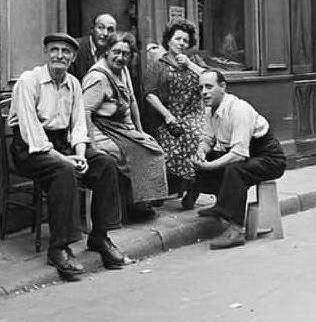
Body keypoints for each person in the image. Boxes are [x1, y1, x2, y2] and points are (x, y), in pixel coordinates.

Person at [8, 33, 131, 281]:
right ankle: (58, 248)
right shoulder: (28, 81)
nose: (60, 56)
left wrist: (81, 154)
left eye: (66, 52)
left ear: (73, 57)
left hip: (62, 145)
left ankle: (100, 236)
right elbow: (32, 132)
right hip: (29, 149)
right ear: (46, 53)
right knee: (63, 172)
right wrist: (66, 160)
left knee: (105, 163)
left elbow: (78, 127)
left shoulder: (73, 83)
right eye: (55, 50)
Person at [192, 70, 287, 249]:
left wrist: (210, 166)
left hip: (269, 158)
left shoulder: (239, 109)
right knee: (210, 158)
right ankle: (222, 206)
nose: (203, 92)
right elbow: (207, 138)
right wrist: (201, 153)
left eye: (209, 87)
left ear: (223, 87)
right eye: (201, 88)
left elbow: (238, 154)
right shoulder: (210, 109)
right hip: (248, 154)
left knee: (235, 169)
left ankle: (236, 230)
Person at [82, 31, 167, 220]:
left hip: (121, 128)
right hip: (99, 130)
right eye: (116, 52)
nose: (120, 57)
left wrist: (140, 131)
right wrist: (94, 145)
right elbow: (85, 112)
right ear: (106, 52)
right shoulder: (98, 77)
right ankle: (133, 207)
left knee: (152, 147)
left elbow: (132, 101)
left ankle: (139, 202)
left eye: (125, 53)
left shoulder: (123, 69)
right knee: (132, 154)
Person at [144, 19, 205, 209]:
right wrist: (168, 116)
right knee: (176, 138)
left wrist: (189, 65)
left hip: (194, 113)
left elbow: (212, 80)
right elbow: (150, 94)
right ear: (168, 40)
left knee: (199, 135)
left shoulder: (193, 60)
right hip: (169, 116)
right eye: (177, 39)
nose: (181, 44)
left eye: (185, 41)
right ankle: (178, 186)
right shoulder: (158, 63)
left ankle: (194, 187)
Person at [70, 13, 117, 82]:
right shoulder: (76, 48)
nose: (105, 33)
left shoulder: (115, 51)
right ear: (92, 29)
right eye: (100, 28)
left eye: (110, 30)